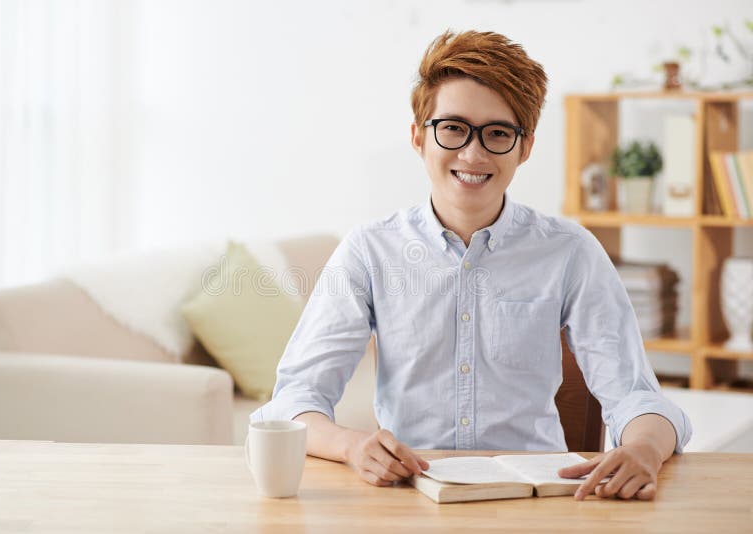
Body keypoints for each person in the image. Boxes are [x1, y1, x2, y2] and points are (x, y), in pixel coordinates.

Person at [252, 30, 691, 501]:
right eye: (454, 128)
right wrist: (352, 445)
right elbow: (293, 402)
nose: (473, 153)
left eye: (498, 133)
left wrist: (645, 447)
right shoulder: (369, 250)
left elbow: (635, 396)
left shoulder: (570, 251)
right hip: (408, 497)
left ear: (525, 148)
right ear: (419, 136)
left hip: (538, 502)